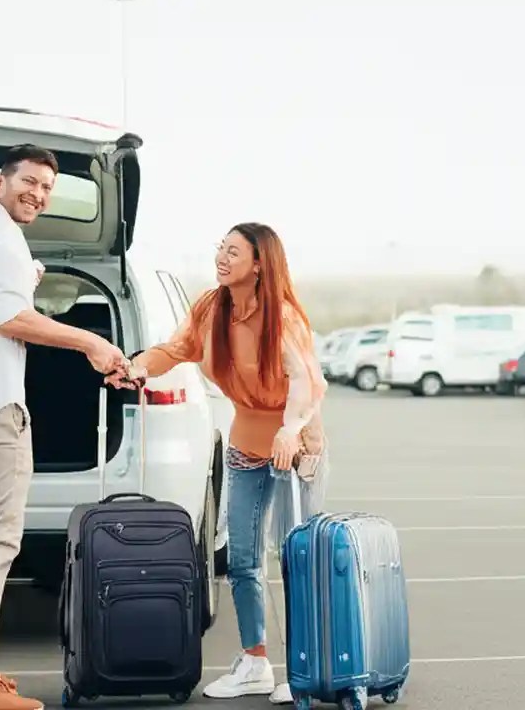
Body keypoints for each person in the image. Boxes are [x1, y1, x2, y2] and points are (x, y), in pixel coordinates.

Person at [0, 144, 129, 710]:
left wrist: (27, 276)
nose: (37, 194)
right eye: (30, 182)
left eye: (46, 188)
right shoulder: (3, 238)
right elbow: (7, 318)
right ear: (0, 181)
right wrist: (92, 342)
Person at [106, 222, 327, 704]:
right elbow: (176, 348)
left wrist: (290, 430)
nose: (221, 259)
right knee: (244, 561)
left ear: (258, 263)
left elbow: (304, 382)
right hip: (246, 440)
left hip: (295, 443)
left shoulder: (282, 317)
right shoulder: (212, 307)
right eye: (219, 250)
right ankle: (254, 662)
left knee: (296, 560)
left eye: (233, 252)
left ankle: (304, 668)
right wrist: (136, 366)